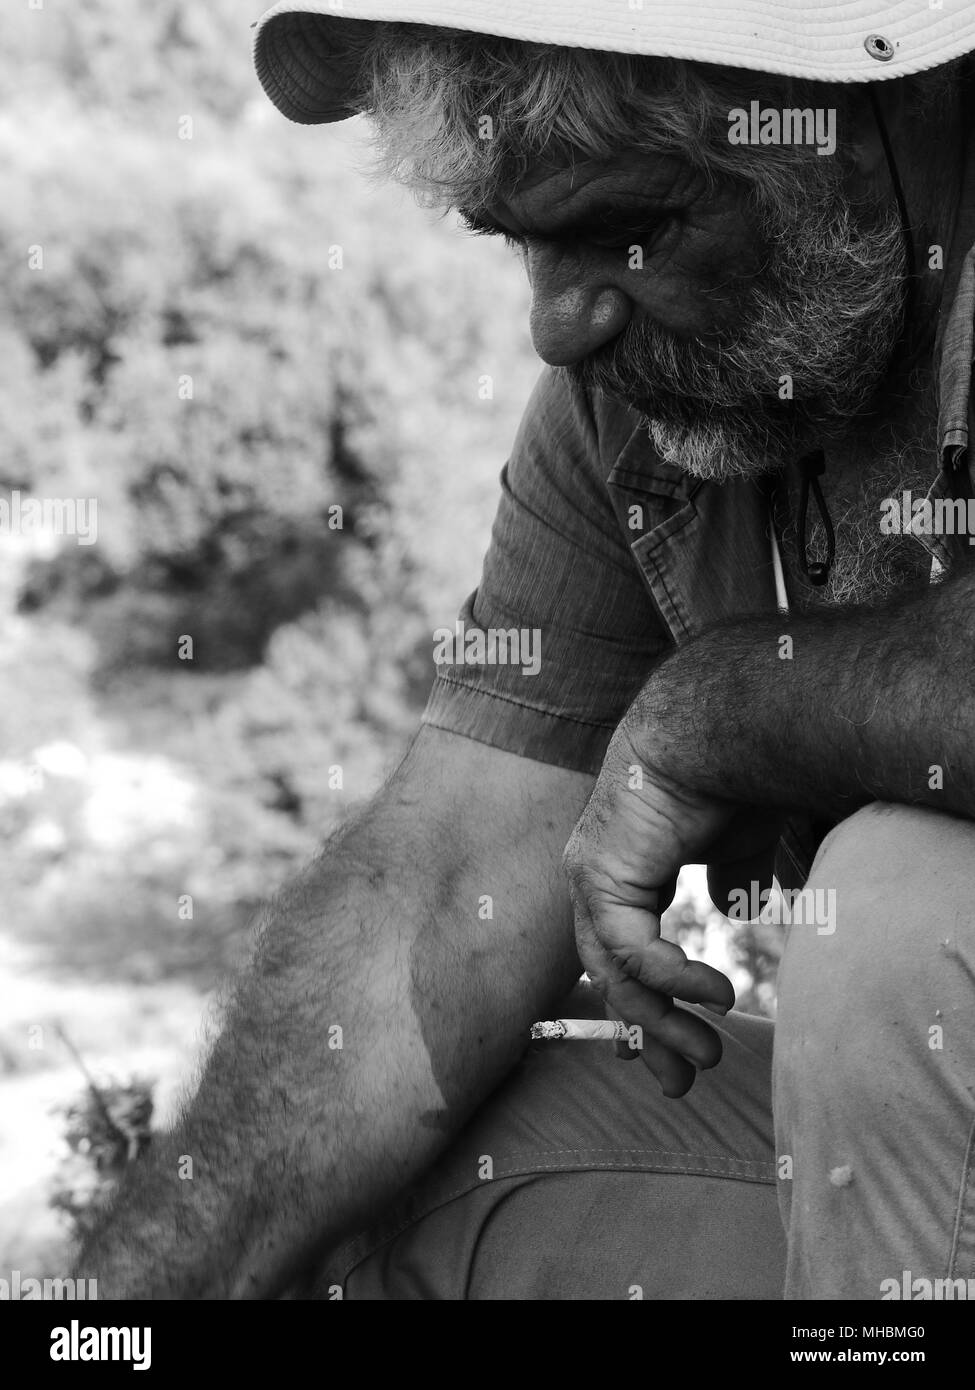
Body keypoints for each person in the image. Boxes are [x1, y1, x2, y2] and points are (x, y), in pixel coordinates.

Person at [82, 1, 975, 1299]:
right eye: (520, 241)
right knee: (382, 1159)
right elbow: (445, 877)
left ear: (872, 118)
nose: (556, 328)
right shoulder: (645, 400)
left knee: (906, 917)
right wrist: (114, 1308)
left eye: (633, 230)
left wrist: (714, 710)